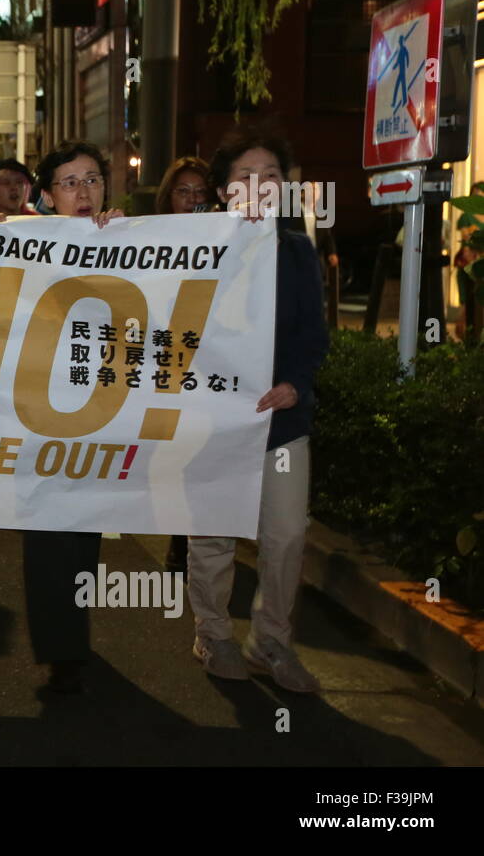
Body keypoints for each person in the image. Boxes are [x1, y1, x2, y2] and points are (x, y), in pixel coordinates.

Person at [186, 127, 329, 693]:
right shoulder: (191, 246)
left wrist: (296, 383)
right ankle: (213, 633)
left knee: (287, 535)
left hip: (283, 422)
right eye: (245, 175)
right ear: (223, 191)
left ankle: (271, 641)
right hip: (212, 420)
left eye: (271, 175)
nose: (260, 184)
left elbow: (313, 335)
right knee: (215, 533)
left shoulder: (296, 251)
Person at [21, 139, 122, 695]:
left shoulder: (130, 238)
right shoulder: (21, 239)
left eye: (92, 179)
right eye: (69, 182)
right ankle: (62, 652)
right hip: (35, 412)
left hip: (100, 414)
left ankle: (72, 639)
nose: (83, 192)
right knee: (48, 527)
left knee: (84, 533)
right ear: (46, 195)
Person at [150, 155, 212, 573]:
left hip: (211, 364)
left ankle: (202, 543)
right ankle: (178, 540)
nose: (190, 200)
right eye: (182, 191)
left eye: (199, 193)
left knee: (204, 458)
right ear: (168, 196)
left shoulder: (228, 237)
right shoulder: (149, 235)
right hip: (166, 362)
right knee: (174, 457)